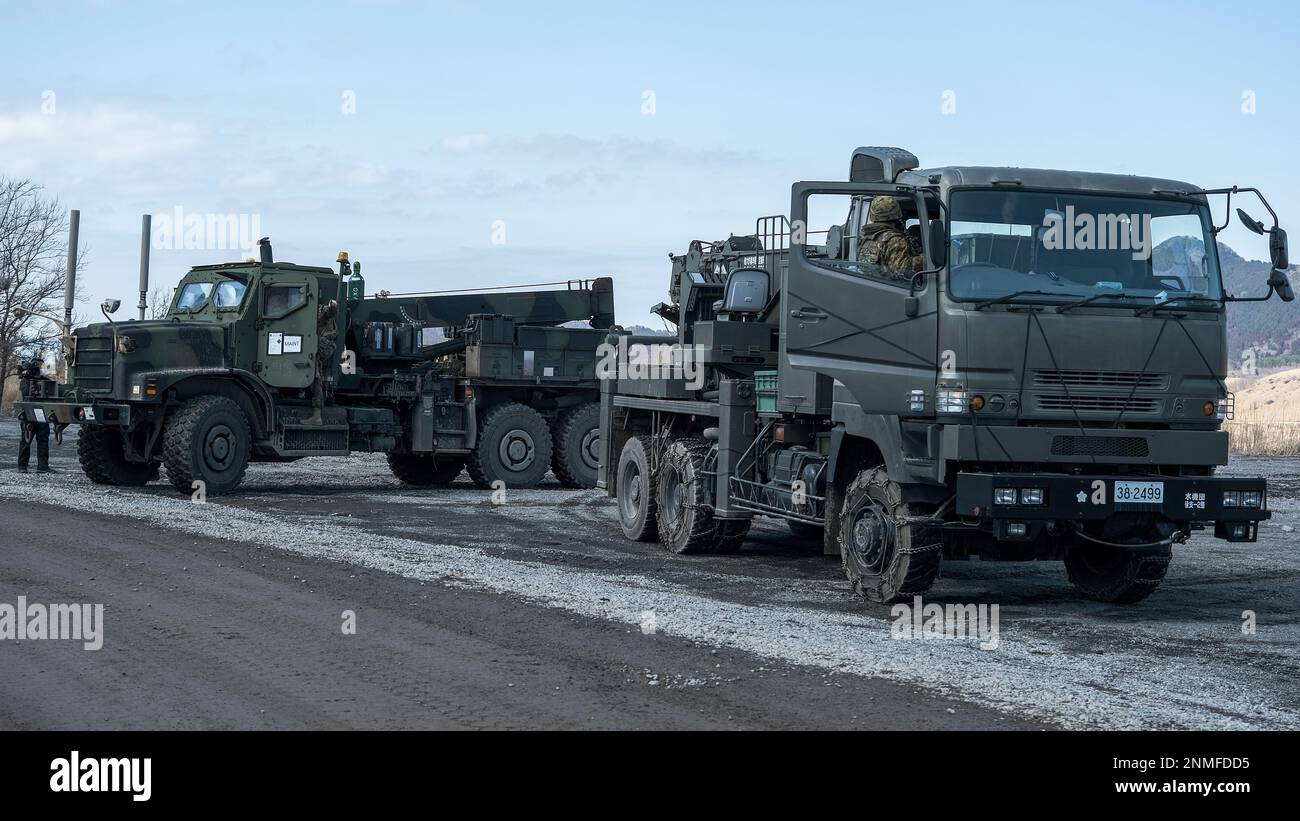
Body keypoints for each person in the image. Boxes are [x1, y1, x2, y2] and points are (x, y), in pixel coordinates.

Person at [856, 196, 924, 283]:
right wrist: (923, 258)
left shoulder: (865, 237)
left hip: (872, 285)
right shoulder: (895, 240)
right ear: (896, 214)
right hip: (893, 288)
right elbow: (904, 271)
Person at [16, 357, 54, 473]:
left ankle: (42, 466)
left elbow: (51, 390)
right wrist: (28, 375)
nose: (39, 367)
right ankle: (22, 466)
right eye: (37, 365)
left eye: (40, 365)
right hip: (29, 414)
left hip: (41, 414)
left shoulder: (43, 379)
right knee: (26, 440)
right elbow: (26, 393)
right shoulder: (25, 380)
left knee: (43, 440)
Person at [304, 298, 339, 425]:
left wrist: (331, 307)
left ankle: (317, 415)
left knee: (316, 377)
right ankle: (316, 415)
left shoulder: (318, 310)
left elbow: (327, 312)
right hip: (320, 346)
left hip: (322, 345)